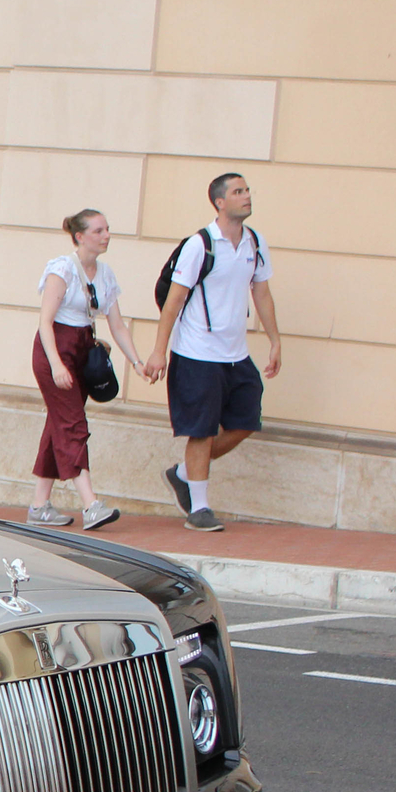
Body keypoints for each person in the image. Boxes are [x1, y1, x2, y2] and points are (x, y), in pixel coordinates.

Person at [143, 172, 281, 532]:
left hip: (235, 354)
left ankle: (185, 473)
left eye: (248, 189)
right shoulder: (199, 245)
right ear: (220, 202)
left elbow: (261, 293)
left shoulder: (254, 243)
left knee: (246, 421)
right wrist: (160, 351)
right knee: (201, 431)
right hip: (196, 352)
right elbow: (174, 301)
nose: (247, 196)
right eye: (238, 192)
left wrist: (274, 340)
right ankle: (199, 509)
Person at [28, 209, 143, 530]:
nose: (106, 235)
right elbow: (45, 322)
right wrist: (56, 365)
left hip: (82, 350)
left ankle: (39, 506)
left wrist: (137, 361)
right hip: (56, 349)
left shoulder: (104, 274)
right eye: (98, 230)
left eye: (107, 229)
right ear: (80, 236)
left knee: (59, 424)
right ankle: (91, 504)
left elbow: (117, 325)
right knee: (73, 424)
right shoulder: (62, 269)